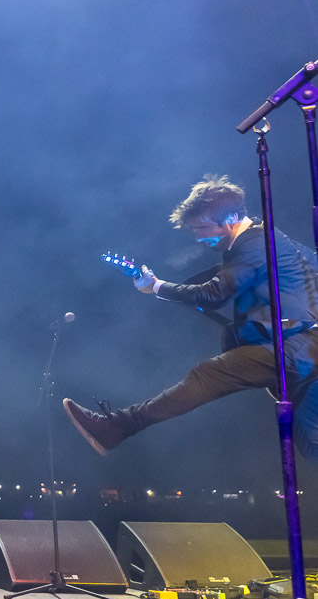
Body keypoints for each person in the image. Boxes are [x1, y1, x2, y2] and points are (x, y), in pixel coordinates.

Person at [63, 176, 318, 458]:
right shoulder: (259, 242)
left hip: (304, 345)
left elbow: (213, 295)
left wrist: (159, 287)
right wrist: (159, 286)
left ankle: (119, 426)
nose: (198, 237)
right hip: (304, 347)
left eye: (202, 227)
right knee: (309, 441)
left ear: (232, 218)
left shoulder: (254, 243)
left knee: (208, 373)